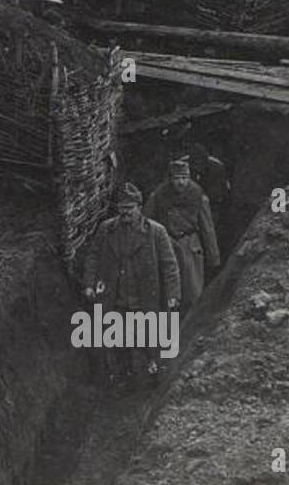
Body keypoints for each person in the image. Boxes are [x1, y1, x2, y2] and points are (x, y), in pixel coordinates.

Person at [83, 182, 181, 386]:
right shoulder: (107, 229)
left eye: (130, 208)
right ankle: (124, 378)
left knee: (149, 340)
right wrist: (89, 284)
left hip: (144, 296)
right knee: (118, 341)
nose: (125, 213)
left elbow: (169, 266)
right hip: (116, 296)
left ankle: (154, 374)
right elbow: (93, 256)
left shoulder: (156, 232)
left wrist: (173, 294)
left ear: (140, 207)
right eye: (122, 208)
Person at [144, 159, 220, 310]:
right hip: (167, 245)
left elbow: (208, 229)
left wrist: (213, 257)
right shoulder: (159, 195)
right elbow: (147, 224)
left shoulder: (198, 196)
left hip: (190, 246)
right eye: (177, 178)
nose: (181, 182)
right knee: (169, 292)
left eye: (184, 178)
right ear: (170, 178)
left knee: (193, 293)